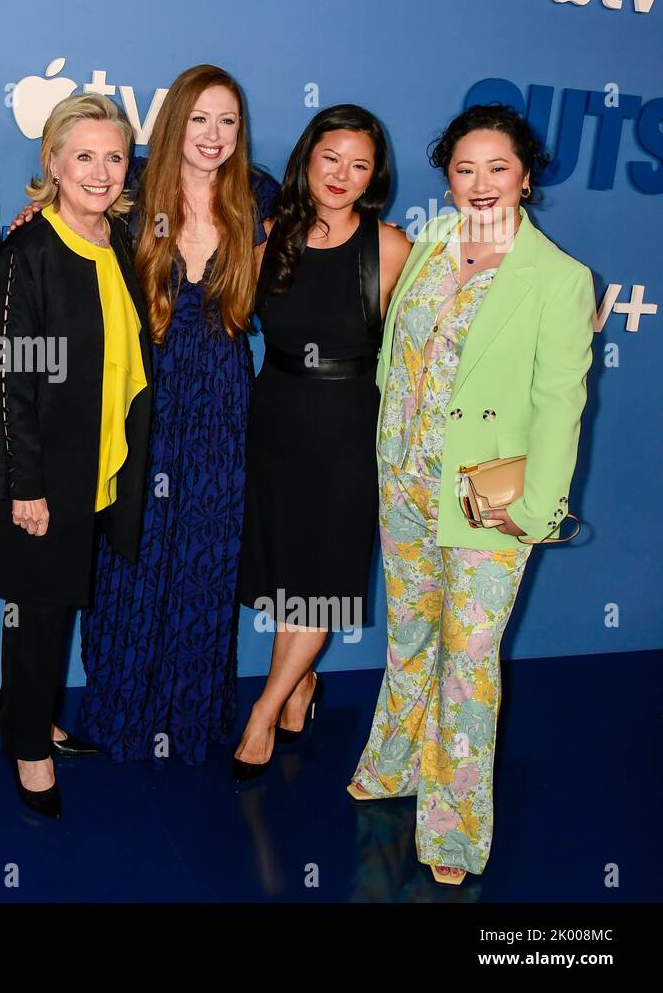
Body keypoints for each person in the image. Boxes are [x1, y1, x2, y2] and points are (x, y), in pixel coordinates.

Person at [349, 104, 593, 885]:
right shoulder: (430, 245)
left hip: (488, 501)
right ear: (446, 177)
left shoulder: (557, 279)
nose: (481, 184)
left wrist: (533, 510)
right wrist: (387, 450)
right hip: (405, 484)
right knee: (411, 635)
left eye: (498, 168)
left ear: (527, 175)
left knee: (471, 662)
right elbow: (398, 358)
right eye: (464, 168)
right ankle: (393, 766)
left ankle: (453, 833)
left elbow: (560, 404)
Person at [78, 65, 277, 765]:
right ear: (174, 123)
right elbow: (67, 222)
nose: (214, 135)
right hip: (141, 391)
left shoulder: (258, 196)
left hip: (221, 394)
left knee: (205, 555)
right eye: (200, 119)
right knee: (127, 551)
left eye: (227, 121)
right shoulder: (130, 189)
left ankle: (188, 715)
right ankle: (119, 707)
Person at [0, 92, 153, 817]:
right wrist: (27, 484)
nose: (101, 170)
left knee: (54, 607)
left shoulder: (120, 243)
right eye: (84, 155)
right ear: (52, 161)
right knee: (38, 611)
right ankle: (26, 743)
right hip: (41, 473)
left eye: (114, 157)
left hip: (93, 464)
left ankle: (35, 715)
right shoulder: (28, 251)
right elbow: (9, 378)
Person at [234, 104, 410, 779]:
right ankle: (301, 687)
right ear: (308, 159)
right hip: (275, 416)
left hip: (347, 427)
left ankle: (262, 712)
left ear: (374, 175)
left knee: (322, 578)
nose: (342, 174)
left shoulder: (390, 248)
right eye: (331, 157)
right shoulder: (269, 237)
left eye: (359, 164)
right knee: (291, 575)